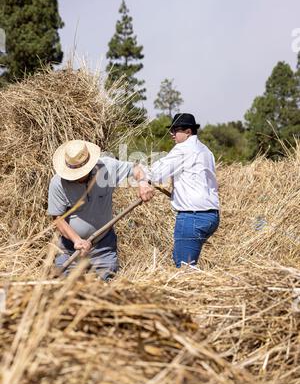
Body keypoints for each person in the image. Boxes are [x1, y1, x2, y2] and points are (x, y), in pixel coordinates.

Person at [48, 139, 153, 280]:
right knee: (64, 289)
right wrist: (77, 240)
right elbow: (58, 219)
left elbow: (136, 169)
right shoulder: (58, 183)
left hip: (103, 245)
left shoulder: (107, 168)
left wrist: (143, 183)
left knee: (105, 290)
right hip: (70, 249)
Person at [149, 113, 220, 268]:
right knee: (183, 260)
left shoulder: (183, 149)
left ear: (188, 132)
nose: (172, 133)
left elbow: (156, 174)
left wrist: (138, 172)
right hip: (211, 216)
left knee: (183, 268)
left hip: (192, 216)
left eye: (176, 130)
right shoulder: (205, 150)